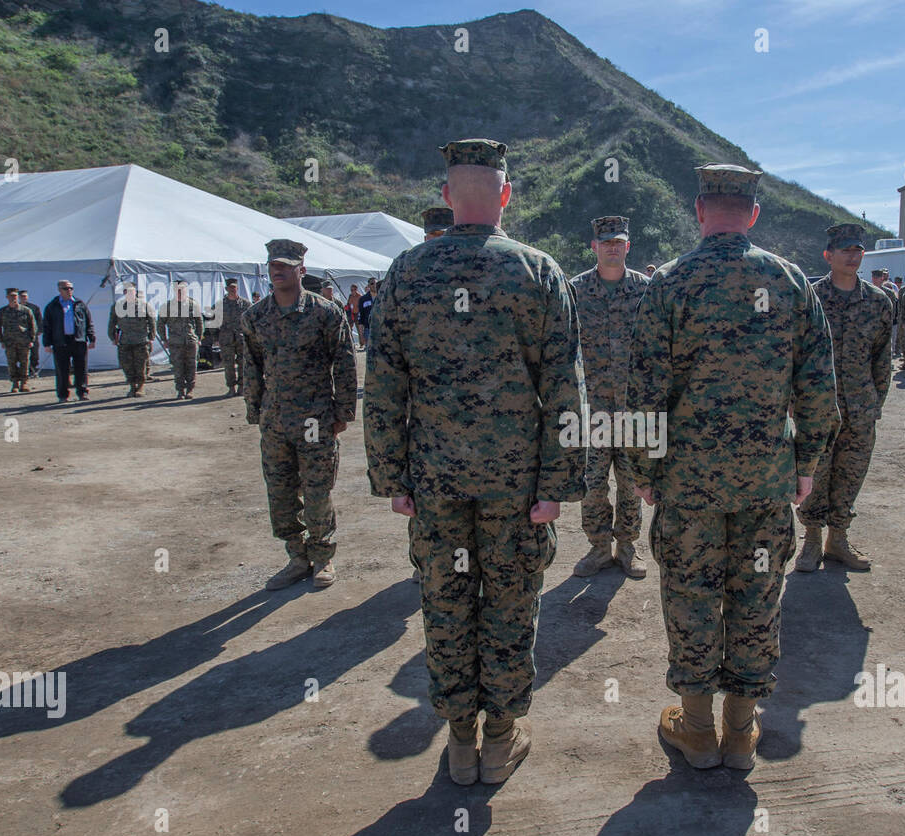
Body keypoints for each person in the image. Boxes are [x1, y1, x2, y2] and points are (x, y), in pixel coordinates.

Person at [365, 139, 584, 786]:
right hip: (517, 486)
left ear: (445, 197)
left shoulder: (406, 271)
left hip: (435, 482)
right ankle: (499, 737)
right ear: (506, 195)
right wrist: (556, 486)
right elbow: (565, 390)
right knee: (511, 604)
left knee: (446, 603)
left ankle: (461, 742)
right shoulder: (539, 271)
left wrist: (393, 477)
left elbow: (383, 387)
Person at [626, 162, 839, 772]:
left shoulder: (668, 282)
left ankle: (696, 733)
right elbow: (818, 386)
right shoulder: (791, 279)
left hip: (687, 482)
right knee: (757, 595)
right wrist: (807, 461)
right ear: (753, 212)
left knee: (691, 595)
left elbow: (644, 390)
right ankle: (741, 734)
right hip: (766, 479)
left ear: (699, 210)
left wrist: (643, 468)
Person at [243, 239, 357, 590]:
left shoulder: (325, 312)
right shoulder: (256, 316)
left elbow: (344, 363)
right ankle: (296, 556)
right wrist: (255, 409)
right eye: (272, 266)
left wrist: (343, 412)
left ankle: (323, 557)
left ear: (301, 270)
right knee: (280, 492)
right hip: (275, 421)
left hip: (314, 420)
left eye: (285, 266)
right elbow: (251, 366)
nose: (277, 271)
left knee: (317, 491)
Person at [796, 223, 889, 572]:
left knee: (852, 473)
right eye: (846, 250)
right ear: (829, 255)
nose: (853, 256)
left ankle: (839, 540)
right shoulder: (810, 298)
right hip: (818, 408)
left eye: (858, 250)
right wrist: (796, 402)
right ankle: (811, 542)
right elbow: (796, 353)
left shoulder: (879, 302)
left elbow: (882, 358)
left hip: (860, 406)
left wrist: (876, 402)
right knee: (815, 473)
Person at [569, 216, 651, 579]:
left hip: (637, 411)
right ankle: (599, 547)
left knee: (634, 484)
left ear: (628, 247)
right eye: (606, 243)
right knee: (592, 484)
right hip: (591, 411)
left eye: (619, 242)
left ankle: (628, 547)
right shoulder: (575, 290)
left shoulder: (647, 289)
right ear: (594, 247)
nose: (613, 247)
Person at [41, 279, 95, 402]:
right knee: (62, 369)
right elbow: (47, 326)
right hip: (60, 341)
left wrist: (91, 338)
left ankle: (82, 392)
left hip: (78, 340)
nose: (69, 291)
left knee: (81, 368)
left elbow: (88, 322)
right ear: (59, 290)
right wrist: (47, 343)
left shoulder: (80, 304)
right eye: (66, 288)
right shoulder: (52, 306)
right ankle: (63, 395)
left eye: (71, 288)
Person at [106, 281, 157, 398]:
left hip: (141, 340)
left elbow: (152, 321)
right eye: (126, 291)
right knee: (127, 365)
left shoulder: (144, 305)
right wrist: (112, 337)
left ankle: (140, 386)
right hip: (125, 340)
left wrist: (151, 337)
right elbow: (112, 323)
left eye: (131, 291)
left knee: (141, 365)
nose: (128, 293)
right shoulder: (117, 306)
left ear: (135, 292)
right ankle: (132, 386)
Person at [157, 281, 204, 399]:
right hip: (175, 342)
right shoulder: (166, 307)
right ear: (173, 291)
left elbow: (200, 322)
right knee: (178, 367)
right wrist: (164, 339)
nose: (179, 292)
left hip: (190, 341)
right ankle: (180, 390)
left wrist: (199, 337)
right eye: (177, 290)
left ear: (186, 290)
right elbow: (160, 324)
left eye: (182, 290)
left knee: (192, 366)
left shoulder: (193, 305)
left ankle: (190, 389)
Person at [0, 288, 39, 393]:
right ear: (7, 297)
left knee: (25, 362)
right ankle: (15, 383)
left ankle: (24, 383)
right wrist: (1, 341)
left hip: (24, 341)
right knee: (11, 363)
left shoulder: (26, 310)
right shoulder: (2, 311)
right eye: (11, 296)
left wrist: (31, 339)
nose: (13, 298)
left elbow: (33, 326)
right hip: (10, 342)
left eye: (15, 296)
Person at [212, 278, 250, 397]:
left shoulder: (246, 304)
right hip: (226, 338)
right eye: (230, 288)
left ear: (237, 288)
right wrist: (215, 338)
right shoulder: (219, 305)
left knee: (243, 363)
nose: (232, 290)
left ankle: (242, 387)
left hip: (242, 338)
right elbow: (213, 322)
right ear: (226, 289)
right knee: (228, 364)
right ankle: (231, 387)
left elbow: (252, 320)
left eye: (234, 287)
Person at [18, 290, 41, 380]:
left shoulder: (34, 308)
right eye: (22, 296)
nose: (24, 298)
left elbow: (39, 320)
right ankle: (23, 371)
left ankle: (33, 370)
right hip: (20, 335)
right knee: (21, 354)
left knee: (34, 353)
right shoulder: (16, 308)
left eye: (25, 296)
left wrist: (39, 330)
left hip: (32, 334)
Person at [356, 278, 377, 350]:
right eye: (372, 284)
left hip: (381, 329)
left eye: (375, 283)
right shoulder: (363, 299)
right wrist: (361, 335)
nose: (374, 285)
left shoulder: (383, 297)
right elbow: (360, 318)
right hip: (368, 330)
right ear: (368, 286)